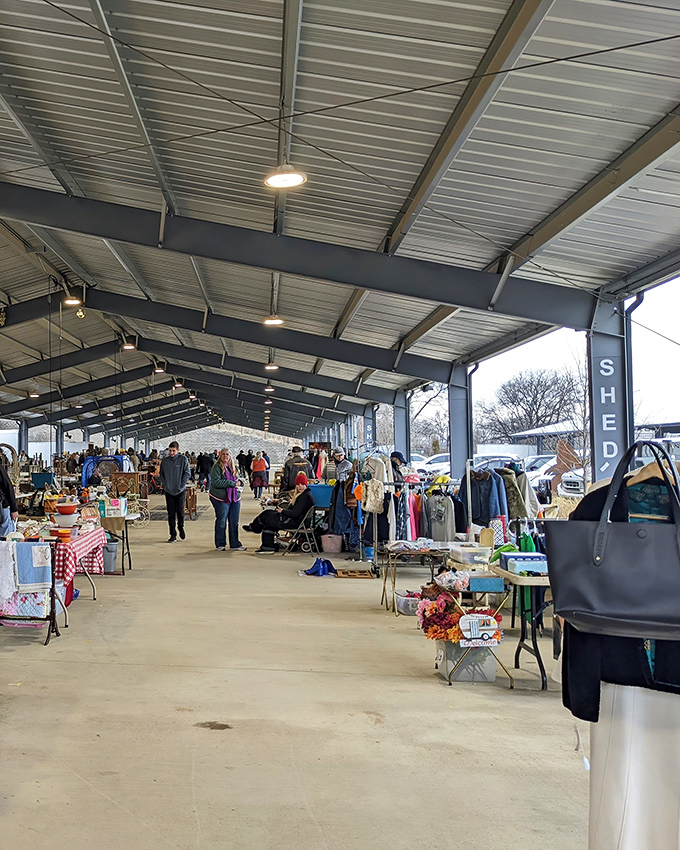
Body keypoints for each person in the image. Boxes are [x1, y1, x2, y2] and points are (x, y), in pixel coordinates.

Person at [243, 473, 315, 554]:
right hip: (294, 520)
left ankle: (254, 528)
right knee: (268, 520)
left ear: (306, 484)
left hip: (294, 522)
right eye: (298, 484)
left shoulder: (305, 497)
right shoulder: (304, 495)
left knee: (266, 515)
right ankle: (267, 547)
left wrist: (283, 511)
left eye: (302, 484)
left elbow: (295, 514)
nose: (300, 486)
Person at [209, 448, 246, 552]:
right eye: (223, 454)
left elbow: (241, 478)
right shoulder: (217, 467)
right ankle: (220, 544)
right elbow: (216, 482)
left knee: (234, 521)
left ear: (230, 456)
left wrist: (240, 482)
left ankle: (235, 544)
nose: (225, 456)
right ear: (220, 456)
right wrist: (232, 483)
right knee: (221, 520)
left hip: (235, 498)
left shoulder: (234, 467)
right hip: (221, 498)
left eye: (227, 454)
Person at [159, 441, 190, 543]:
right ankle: (172, 534)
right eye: (170, 451)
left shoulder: (183, 459)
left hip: (180, 491)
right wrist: (165, 484)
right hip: (169, 491)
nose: (171, 453)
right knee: (171, 513)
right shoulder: (165, 461)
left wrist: (182, 485)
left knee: (180, 512)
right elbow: (161, 474)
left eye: (173, 451)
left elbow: (187, 473)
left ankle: (181, 527)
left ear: (178, 450)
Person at [0, 462, 18, 537]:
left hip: (2, 508)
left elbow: (8, 487)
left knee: (7, 540)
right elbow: (8, 487)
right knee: (7, 540)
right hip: (3, 509)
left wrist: (14, 509)